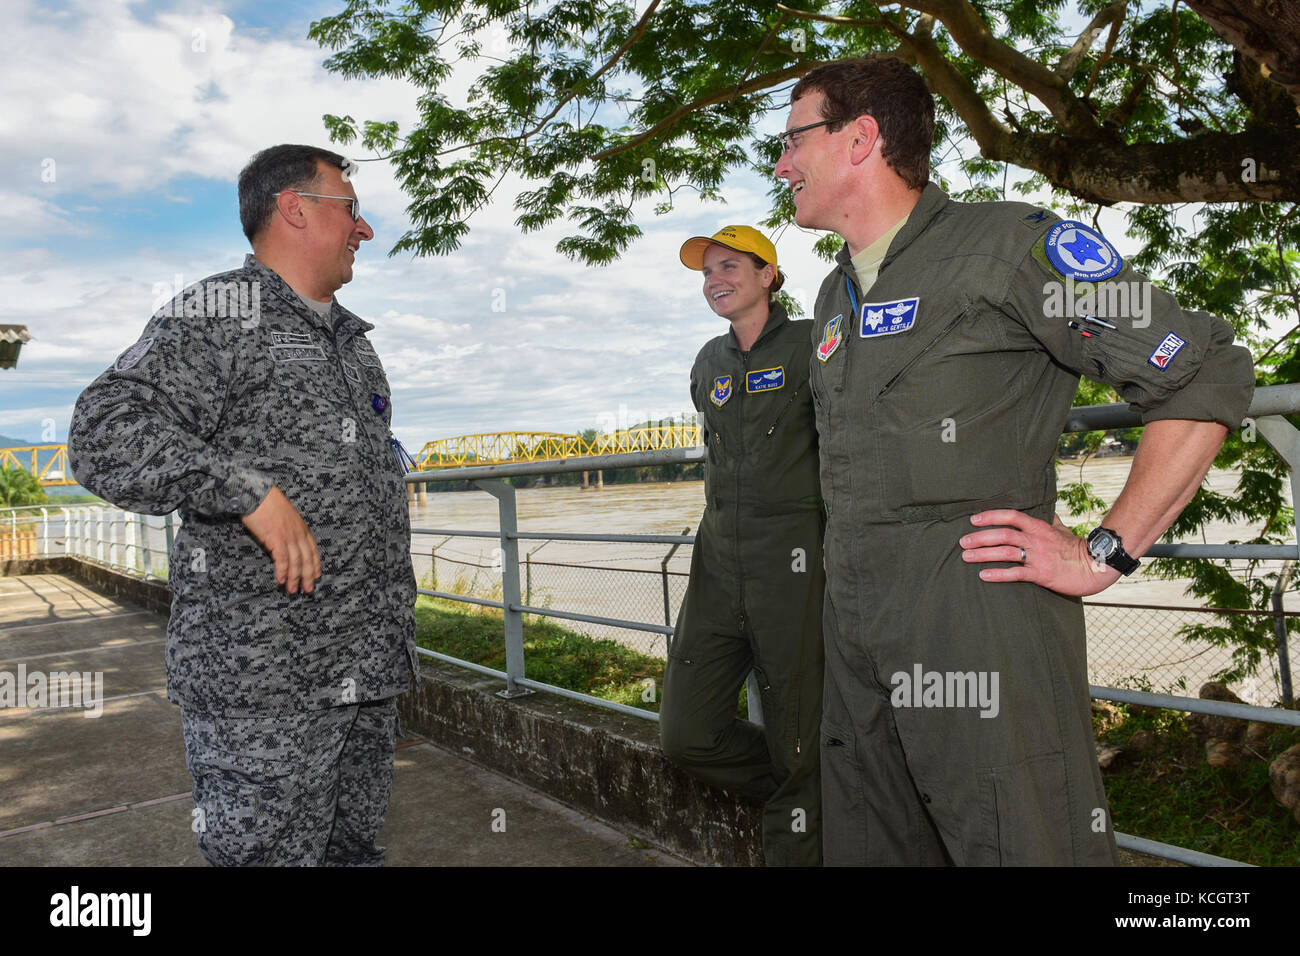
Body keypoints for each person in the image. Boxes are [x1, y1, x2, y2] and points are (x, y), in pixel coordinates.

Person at [773, 57, 1255, 866]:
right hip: (855, 630)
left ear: (860, 138)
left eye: (792, 140)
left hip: (976, 622)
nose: (781, 164)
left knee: (1021, 841)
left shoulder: (1009, 249)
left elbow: (1200, 368)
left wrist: (1107, 549)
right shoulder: (832, 296)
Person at [68, 145, 417, 866]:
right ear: (295, 208)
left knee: (353, 854)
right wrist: (248, 491)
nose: (365, 229)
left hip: (366, 672)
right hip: (265, 687)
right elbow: (103, 434)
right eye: (350, 208)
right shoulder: (219, 312)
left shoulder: (354, 345)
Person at [659, 225, 825, 866]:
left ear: (768, 275)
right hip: (717, 563)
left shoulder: (816, 342)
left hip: (795, 563)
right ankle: (818, 790)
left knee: (802, 736)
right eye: (705, 272)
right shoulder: (708, 362)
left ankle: (801, 826)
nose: (714, 280)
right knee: (687, 735)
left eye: (729, 266)